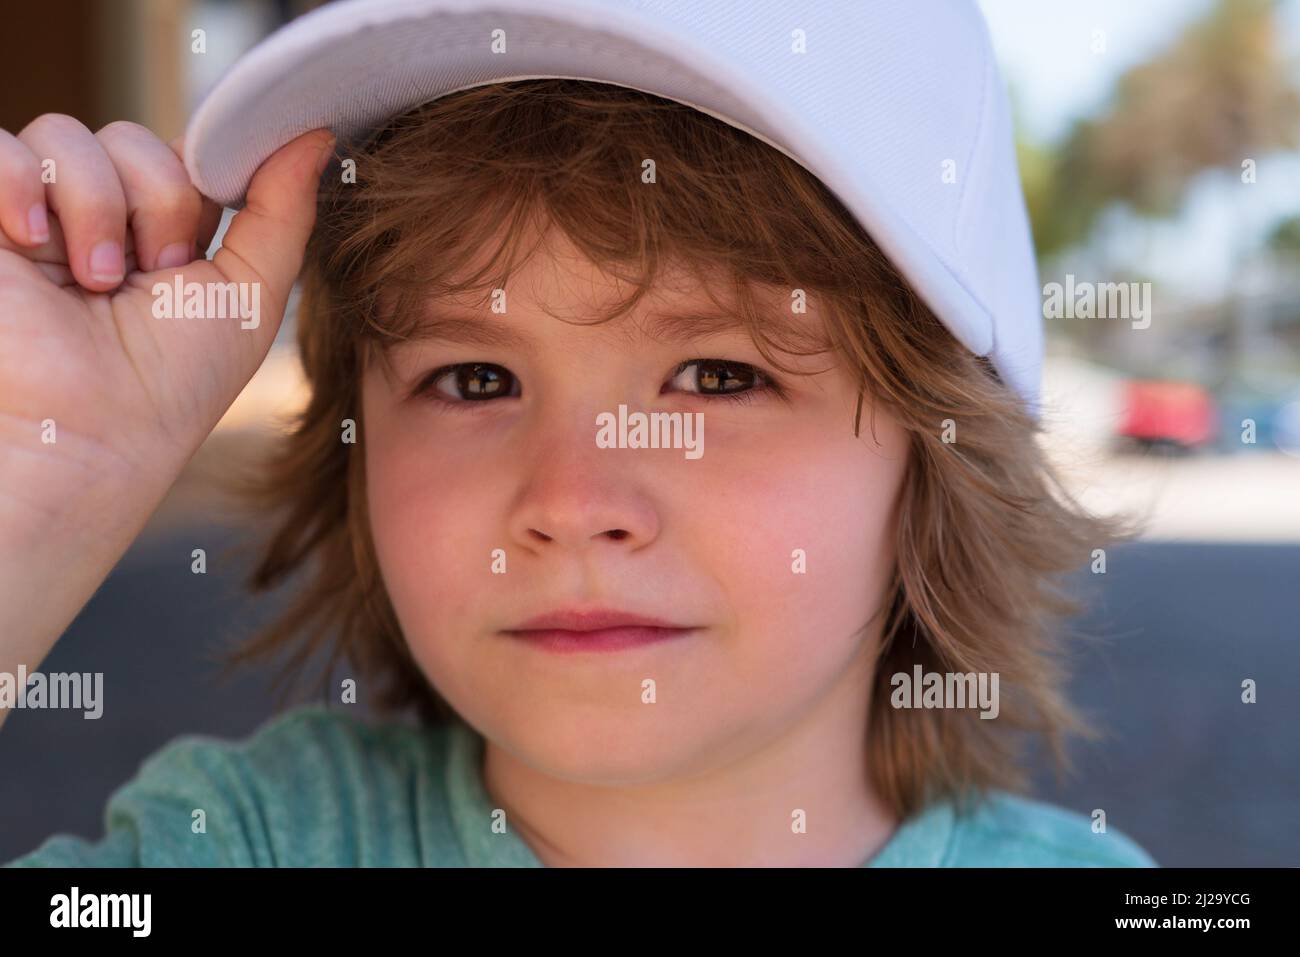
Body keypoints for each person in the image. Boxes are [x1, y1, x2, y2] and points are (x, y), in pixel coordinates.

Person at [1, 0, 1155, 867]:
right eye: (472, 377)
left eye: (715, 375)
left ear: (938, 456)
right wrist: (33, 493)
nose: (568, 497)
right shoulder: (248, 840)